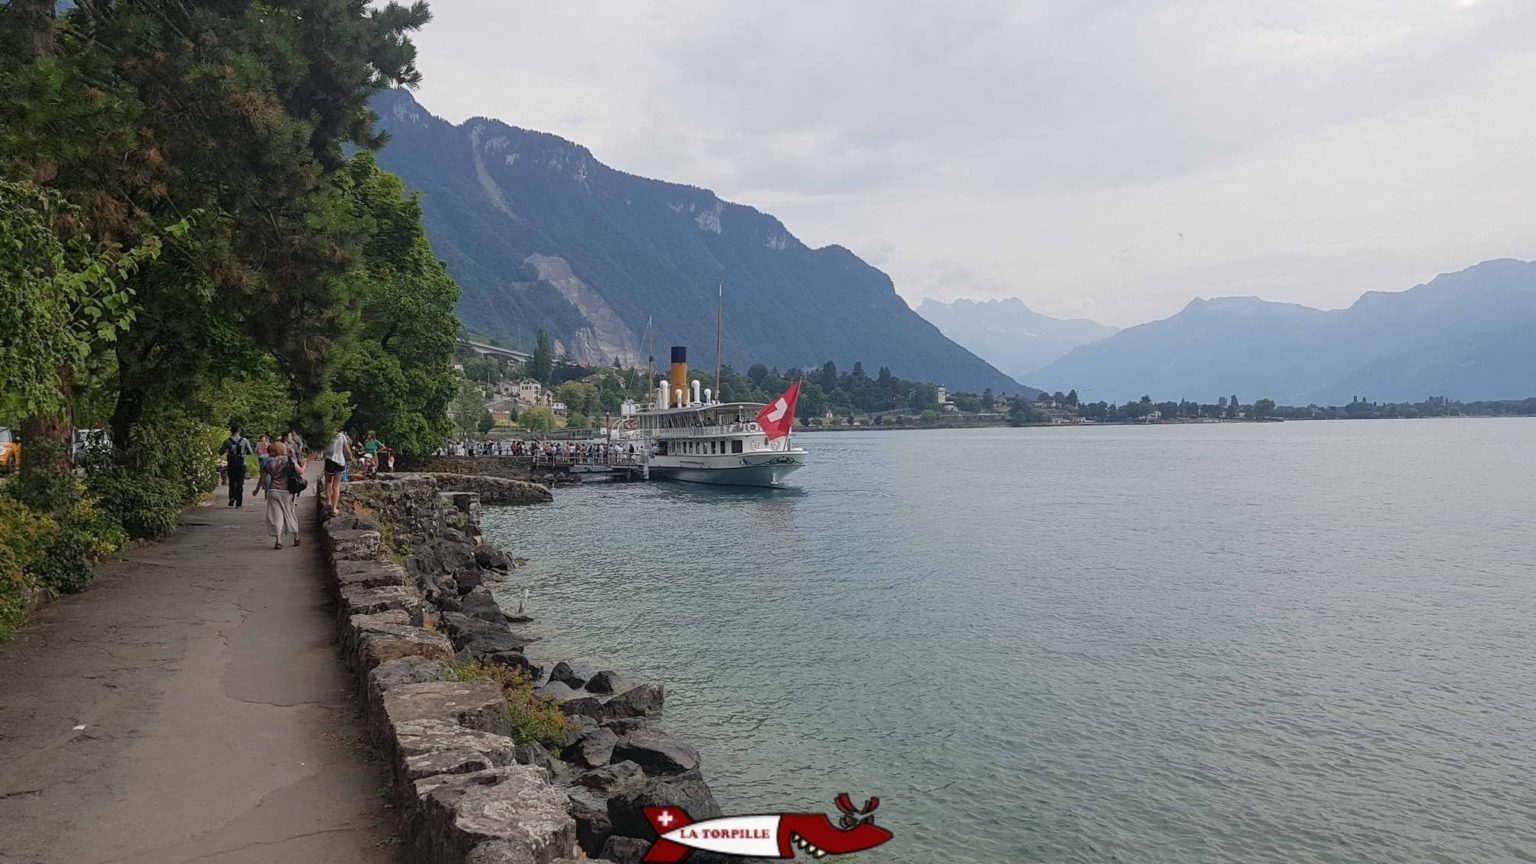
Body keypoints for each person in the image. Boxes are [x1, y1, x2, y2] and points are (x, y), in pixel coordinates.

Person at [258, 441, 301, 549]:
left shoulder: (269, 462)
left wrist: (256, 489)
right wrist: (305, 464)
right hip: (285, 491)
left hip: (272, 491)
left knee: (276, 516)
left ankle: (279, 540)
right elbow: (300, 471)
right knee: (289, 514)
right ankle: (296, 536)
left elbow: (262, 478)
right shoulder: (288, 460)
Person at [222, 423, 254, 508]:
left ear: (231, 431)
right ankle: (239, 503)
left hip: (231, 464)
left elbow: (221, 452)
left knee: (232, 482)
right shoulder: (245, 440)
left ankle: (232, 497)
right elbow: (250, 451)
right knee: (240, 483)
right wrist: (243, 453)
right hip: (241, 463)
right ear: (239, 430)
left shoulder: (227, 441)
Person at [324, 427, 350, 517]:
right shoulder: (342, 436)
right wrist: (350, 457)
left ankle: (329, 502)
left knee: (328, 482)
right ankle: (334, 509)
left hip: (329, 460)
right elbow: (347, 450)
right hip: (340, 461)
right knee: (336, 485)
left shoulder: (328, 435)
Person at [255, 434, 271, 498]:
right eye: (262, 438)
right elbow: (256, 451)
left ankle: (266, 491)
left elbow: (256, 451)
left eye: (264, 438)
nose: (263, 439)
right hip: (263, 460)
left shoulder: (267, 444)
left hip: (264, 460)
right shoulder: (266, 444)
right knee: (265, 475)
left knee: (264, 475)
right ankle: (266, 491)